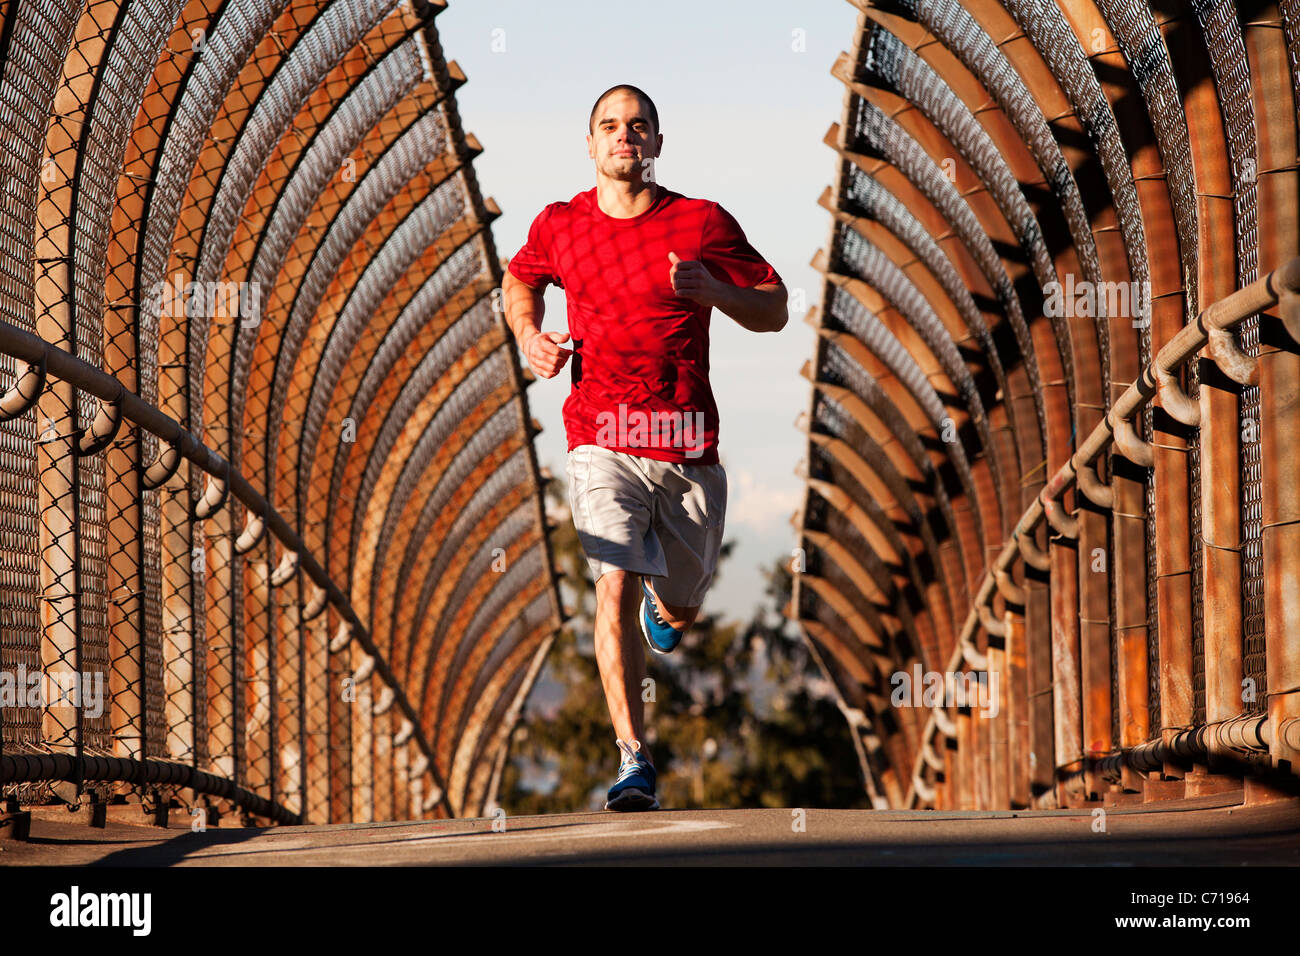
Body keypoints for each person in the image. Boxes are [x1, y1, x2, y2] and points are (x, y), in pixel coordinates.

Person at [502, 83, 787, 811]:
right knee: (611, 579)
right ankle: (633, 760)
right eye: (610, 125)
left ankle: (671, 610)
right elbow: (519, 279)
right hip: (599, 435)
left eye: (638, 126)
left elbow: (776, 309)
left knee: (680, 600)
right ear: (591, 145)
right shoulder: (561, 224)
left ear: (657, 142)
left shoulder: (701, 223)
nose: (624, 136)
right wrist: (531, 336)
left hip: (687, 446)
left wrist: (713, 290)